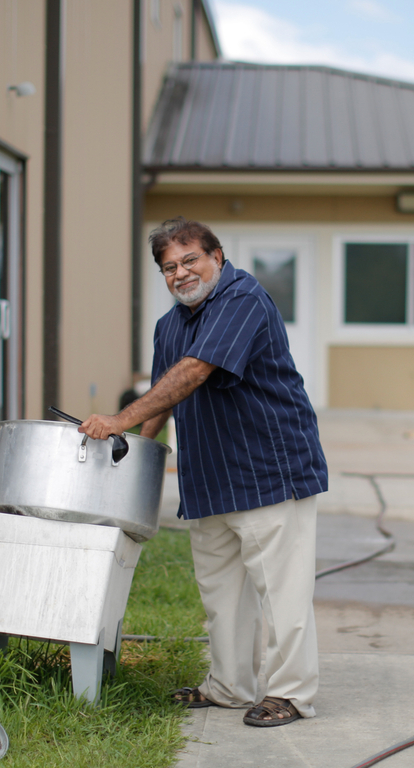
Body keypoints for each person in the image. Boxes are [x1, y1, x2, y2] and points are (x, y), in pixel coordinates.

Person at [79, 217, 328, 727]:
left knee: (281, 596)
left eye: (190, 259)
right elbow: (162, 398)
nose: (181, 273)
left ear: (216, 255)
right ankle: (229, 686)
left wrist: (117, 419)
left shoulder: (243, 299)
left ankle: (290, 694)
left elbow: (194, 372)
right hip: (210, 477)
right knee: (222, 597)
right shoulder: (169, 325)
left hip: (269, 473)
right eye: (169, 267)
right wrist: (138, 455)